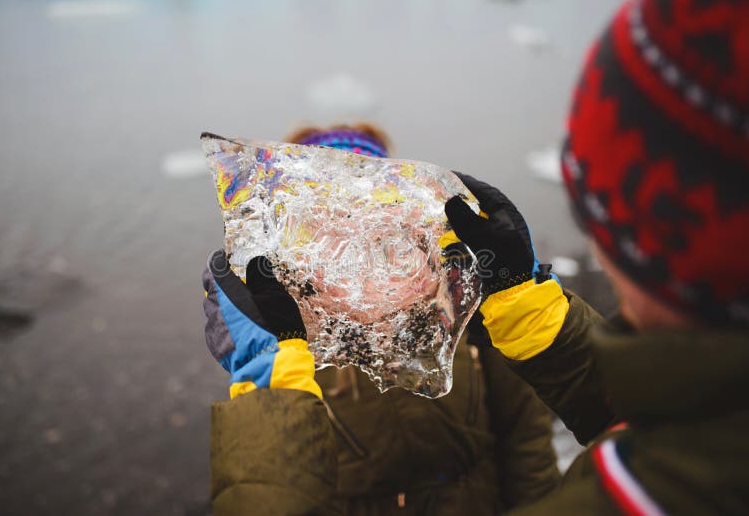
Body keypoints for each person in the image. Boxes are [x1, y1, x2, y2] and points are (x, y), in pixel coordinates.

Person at [203, 0, 749, 513]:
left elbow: (525, 445)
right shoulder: (297, 335)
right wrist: (533, 311)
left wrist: (268, 386)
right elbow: (663, 417)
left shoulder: (460, 313)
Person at [204, 124, 561, 514]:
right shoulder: (292, 351)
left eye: (373, 210)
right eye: (332, 215)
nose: (354, 231)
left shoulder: (461, 310)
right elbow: (280, 487)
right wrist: (272, 377)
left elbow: (525, 439)